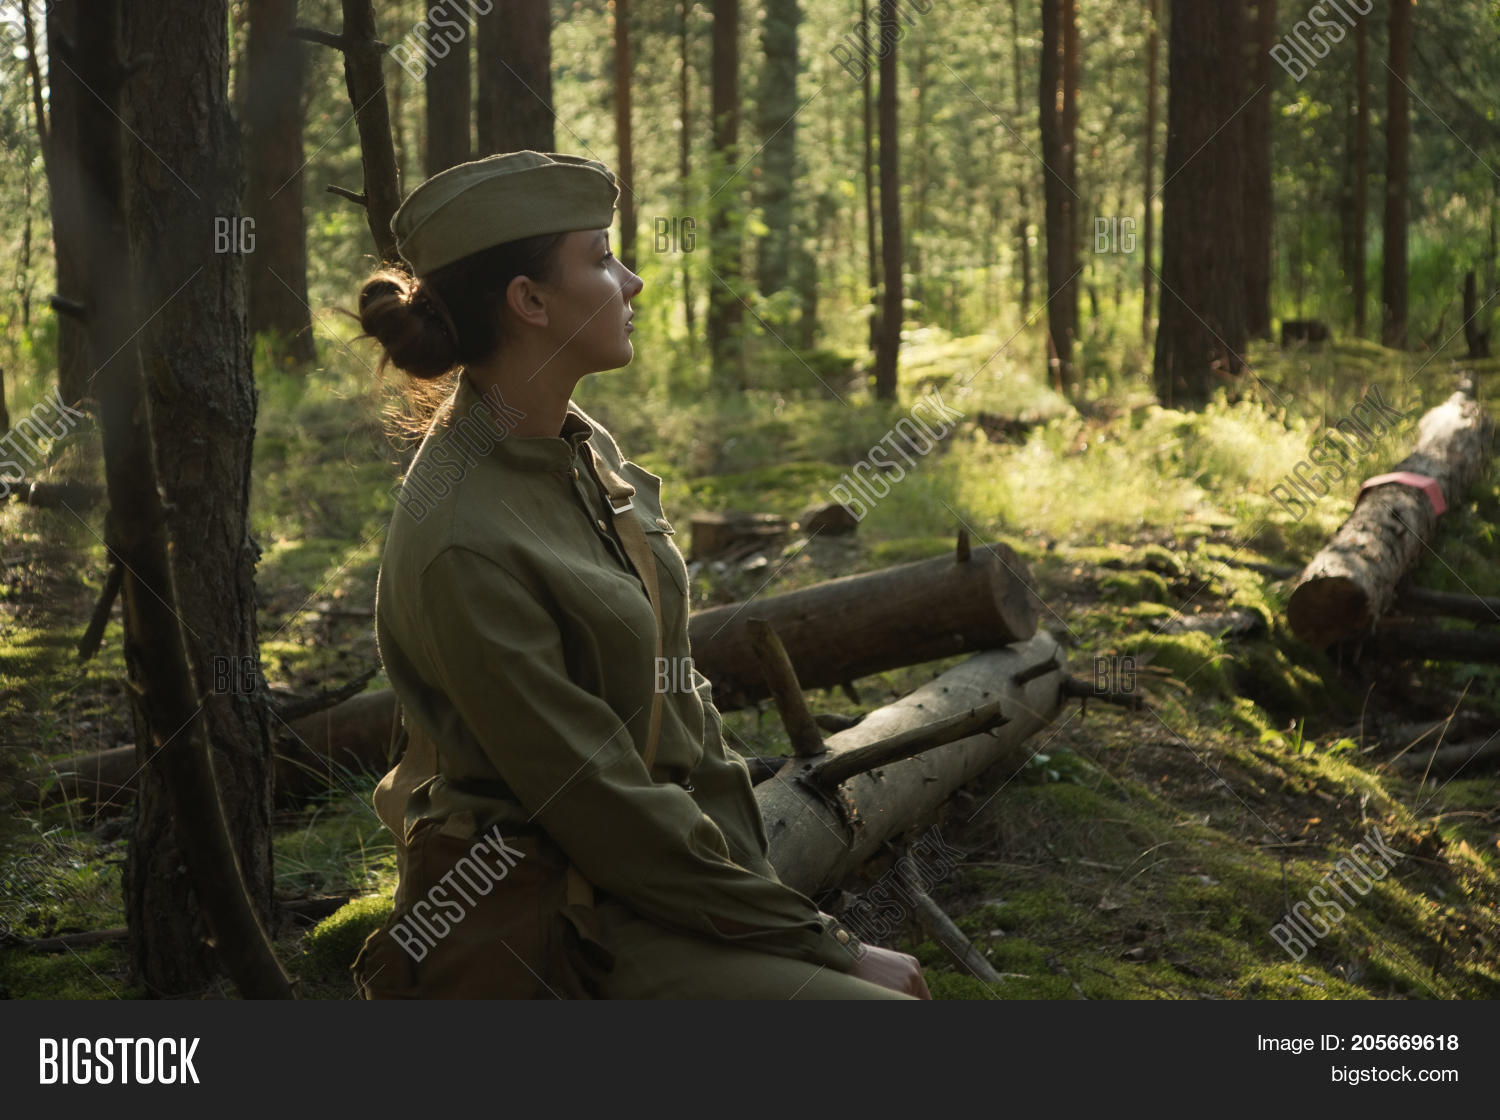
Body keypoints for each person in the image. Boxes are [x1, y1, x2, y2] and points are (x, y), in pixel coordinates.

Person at [349, 150, 929, 1000]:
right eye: (602, 258)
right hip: (558, 917)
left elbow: (678, 701)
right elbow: (594, 799)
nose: (633, 282)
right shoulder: (464, 541)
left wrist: (759, 887)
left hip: (659, 877)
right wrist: (824, 943)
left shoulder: (574, 443)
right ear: (530, 301)